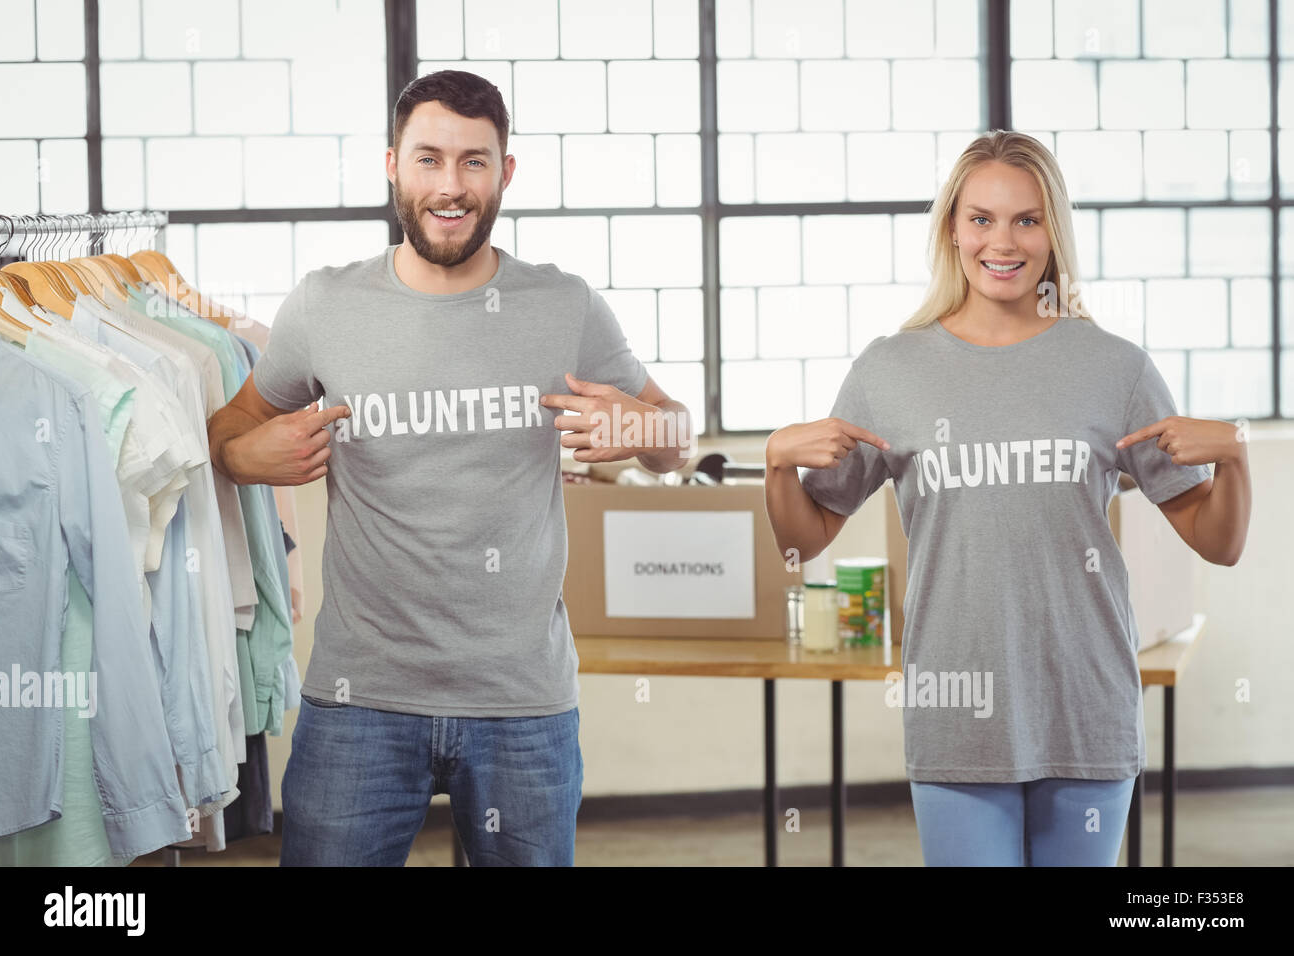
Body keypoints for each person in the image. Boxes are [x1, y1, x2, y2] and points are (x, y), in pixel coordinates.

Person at [208, 70, 691, 866]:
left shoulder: (563, 305)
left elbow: (676, 436)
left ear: (505, 173)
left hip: (522, 705)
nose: (451, 185)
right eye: (429, 159)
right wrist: (240, 455)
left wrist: (641, 426)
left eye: (474, 162)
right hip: (359, 701)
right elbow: (231, 426)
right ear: (392, 164)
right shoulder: (324, 307)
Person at [764, 130, 1252, 866]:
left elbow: (1219, 542)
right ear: (952, 229)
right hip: (956, 716)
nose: (1004, 241)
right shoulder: (891, 370)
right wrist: (775, 465)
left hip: (1085, 709)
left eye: (1027, 219)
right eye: (982, 218)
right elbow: (806, 537)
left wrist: (1237, 459)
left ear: (1054, 231)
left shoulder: (1113, 368)